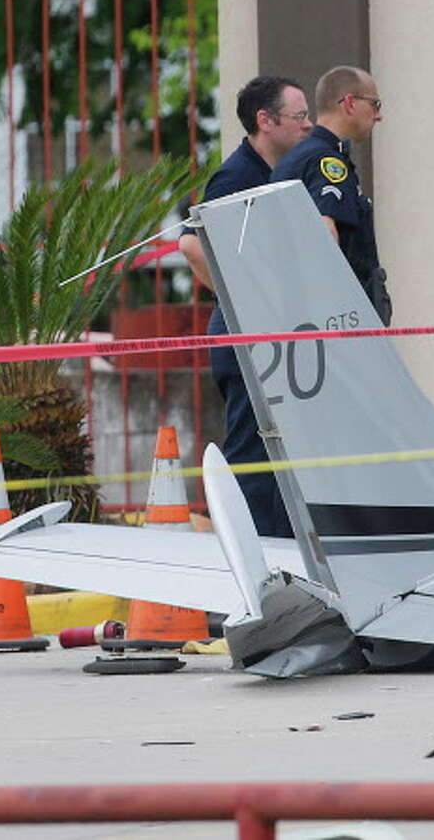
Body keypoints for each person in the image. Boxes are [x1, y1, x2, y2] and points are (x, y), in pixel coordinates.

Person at [177, 74, 310, 537]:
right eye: (299, 116)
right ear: (265, 120)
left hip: (269, 335)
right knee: (253, 453)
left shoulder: (280, 171)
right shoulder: (238, 177)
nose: (308, 125)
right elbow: (191, 245)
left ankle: (283, 548)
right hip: (245, 336)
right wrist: (240, 299)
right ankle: (253, 551)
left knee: (281, 452)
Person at [271, 65, 390, 323]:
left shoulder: (297, 158)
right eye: (375, 104)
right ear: (349, 103)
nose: (378, 116)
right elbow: (324, 232)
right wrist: (338, 313)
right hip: (342, 318)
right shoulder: (326, 161)